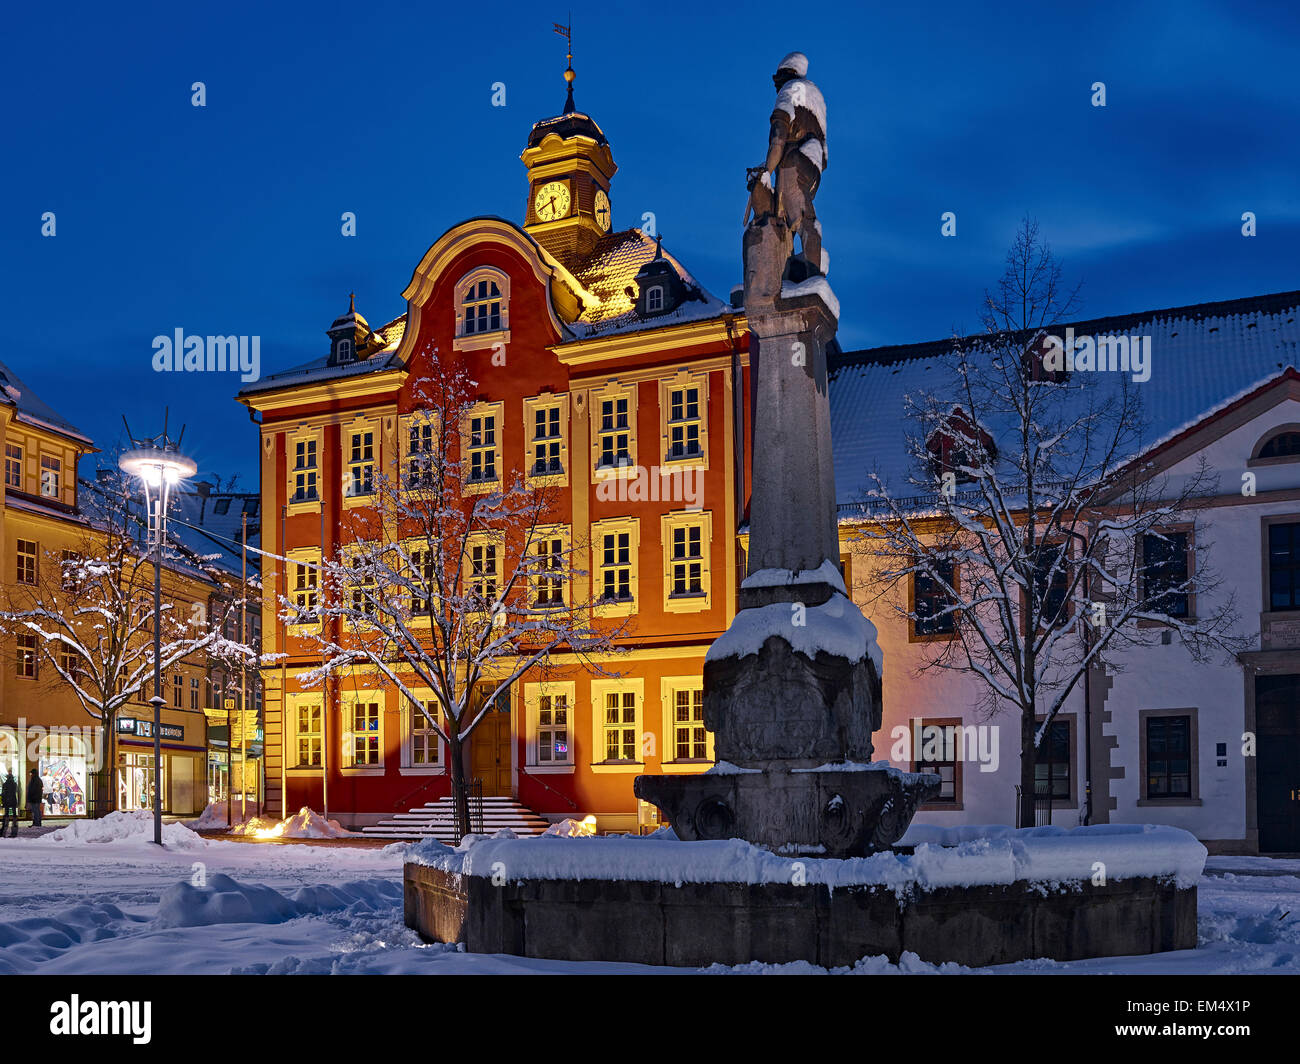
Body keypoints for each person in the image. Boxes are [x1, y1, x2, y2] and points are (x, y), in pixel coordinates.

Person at [1, 771, 18, 837]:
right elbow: (15, 791)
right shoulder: (14, 784)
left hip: (7, 800)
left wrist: (3, 800)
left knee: (7, 812)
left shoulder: (5, 784)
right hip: (13, 799)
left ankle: (6, 823)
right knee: (14, 812)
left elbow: (3, 793)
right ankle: (14, 823)